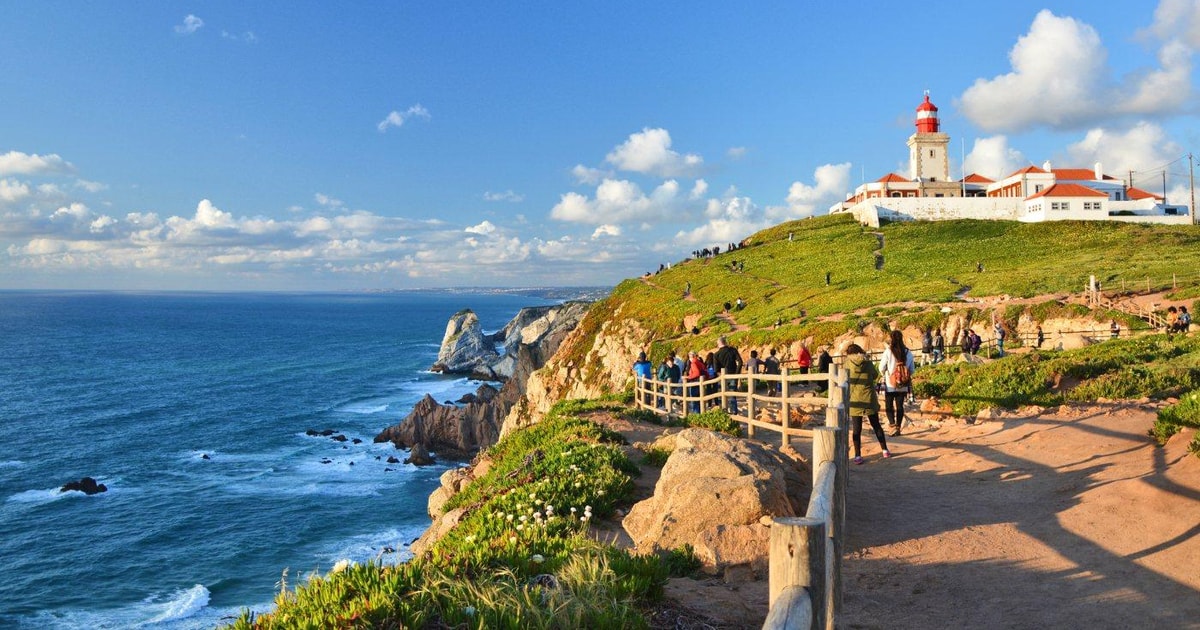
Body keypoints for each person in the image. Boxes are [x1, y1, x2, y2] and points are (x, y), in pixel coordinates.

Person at [845, 343, 889, 464]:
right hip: (869, 397)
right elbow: (875, 376)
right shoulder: (867, 362)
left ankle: (857, 456)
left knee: (856, 429)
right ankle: (885, 450)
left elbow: (843, 379)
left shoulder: (847, 363)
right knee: (876, 425)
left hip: (855, 399)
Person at [878, 330, 915, 437]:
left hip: (890, 383)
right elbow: (912, 369)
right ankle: (898, 427)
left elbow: (881, 367)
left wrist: (886, 373)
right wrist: (904, 375)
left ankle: (892, 426)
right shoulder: (908, 352)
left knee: (889, 405)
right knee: (900, 406)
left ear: (892, 339)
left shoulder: (888, 351)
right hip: (903, 384)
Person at [714, 336, 744, 414]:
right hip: (733, 375)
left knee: (721, 395)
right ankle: (734, 412)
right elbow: (740, 362)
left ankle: (722, 412)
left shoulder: (716, 354)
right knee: (732, 395)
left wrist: (720, 374)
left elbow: (716, 369)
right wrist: (736, 374)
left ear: (718, 344)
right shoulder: (733, 350)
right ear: (726, 342)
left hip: (722, 377)